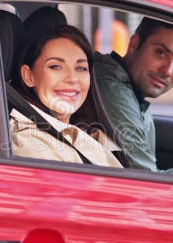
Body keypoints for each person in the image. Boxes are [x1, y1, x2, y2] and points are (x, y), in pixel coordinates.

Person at [94, 17, 173, 176]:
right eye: (160, 53)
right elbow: (148, 181)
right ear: (134, 44)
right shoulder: (113, 89)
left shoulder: (133, 92)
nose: (167, 71)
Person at [9, 24, 123, 167]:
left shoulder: (83, 128)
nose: (72, 78)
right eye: (56, 67)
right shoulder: (29, 141)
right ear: (28, 76)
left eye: (81, 68)